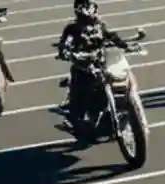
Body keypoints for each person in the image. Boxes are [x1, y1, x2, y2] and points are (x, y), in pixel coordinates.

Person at [55, 0, 129, 134]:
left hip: (99, 63)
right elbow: (63, 43)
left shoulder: (100, 25)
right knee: (78, 92)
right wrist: (64, 52)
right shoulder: (72, 28)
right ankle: (74, 120)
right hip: (82, 67)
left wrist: (125, 46)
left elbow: (113, 36)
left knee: (115, 81)